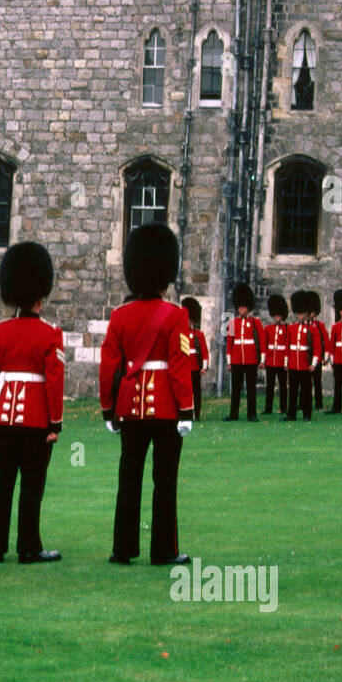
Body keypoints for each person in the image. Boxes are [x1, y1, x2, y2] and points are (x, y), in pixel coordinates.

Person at [100, 223, 194, 566]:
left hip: (129, 409)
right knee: (164, 482)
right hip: (167, 408)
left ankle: (122, 549)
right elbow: (179, 365)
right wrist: (186, 410)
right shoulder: (176, 315)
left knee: (129, 480)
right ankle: (163, 550)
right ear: (165, 274)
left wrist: (108, 410)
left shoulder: (120, 315)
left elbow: (108, 367)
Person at [0, 241, 63, 564]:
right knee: (31, 487)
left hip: (3, 421)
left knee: (2, 487)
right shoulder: (51, 334)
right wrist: (55, 423)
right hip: (37, 421)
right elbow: (54, 382)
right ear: (41, 298)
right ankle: (28, 547)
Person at [222, 282, 262, 422]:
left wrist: (261, 360)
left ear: (248, 308)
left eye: (244, 307)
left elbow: (261, 341)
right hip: (236, 359)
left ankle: (252, 414)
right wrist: (229, 361)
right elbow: (229, 343)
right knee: (236, 389)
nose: (242, 310)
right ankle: (233, 414)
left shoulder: (256, 322)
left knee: (251, 389)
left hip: (251, 359)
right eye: (240, 307)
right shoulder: (232, 322)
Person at [283, 290, 322, 422]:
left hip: (306, 364)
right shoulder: (291, 328)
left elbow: (317, 348)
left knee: (306, 391)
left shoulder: (313, 329)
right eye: (298, 313)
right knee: (292, 391)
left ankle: (307, 414)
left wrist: (314, 364)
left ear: (307, 313)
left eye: (303, 313)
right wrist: (286, 363)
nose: (300, 315)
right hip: (294, 363)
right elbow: (288, 346)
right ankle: (291, 414)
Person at [180, 296, 209, 418]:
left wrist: (205, 367)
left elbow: (204, 351)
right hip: (184, 367)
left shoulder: (199, 334)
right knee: (184, 393)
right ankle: (185, 413)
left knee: (196, 392)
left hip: (195, 367)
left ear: (191, 320)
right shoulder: (181, 333)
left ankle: (196, 414)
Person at [260, 294, 288, 416]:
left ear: (282, 316)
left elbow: (287, 346)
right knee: (269, 387)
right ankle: (268, 408)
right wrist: (263, 360)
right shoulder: (268, 329)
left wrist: (287, 362)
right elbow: (264, 345)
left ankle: (283, 408)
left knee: (283, 386)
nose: (277, 317)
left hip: (282, 361)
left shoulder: (287, 328)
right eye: (275, 315)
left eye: (279, 315)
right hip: (271, 360)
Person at [308, 292, 329, 411]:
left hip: (317, 358)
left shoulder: (319, 325)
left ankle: (319, 404)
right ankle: (303, 404)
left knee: (317, 383)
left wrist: (325, 357)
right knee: (305, 384)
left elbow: (325, 342)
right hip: (305, 358)